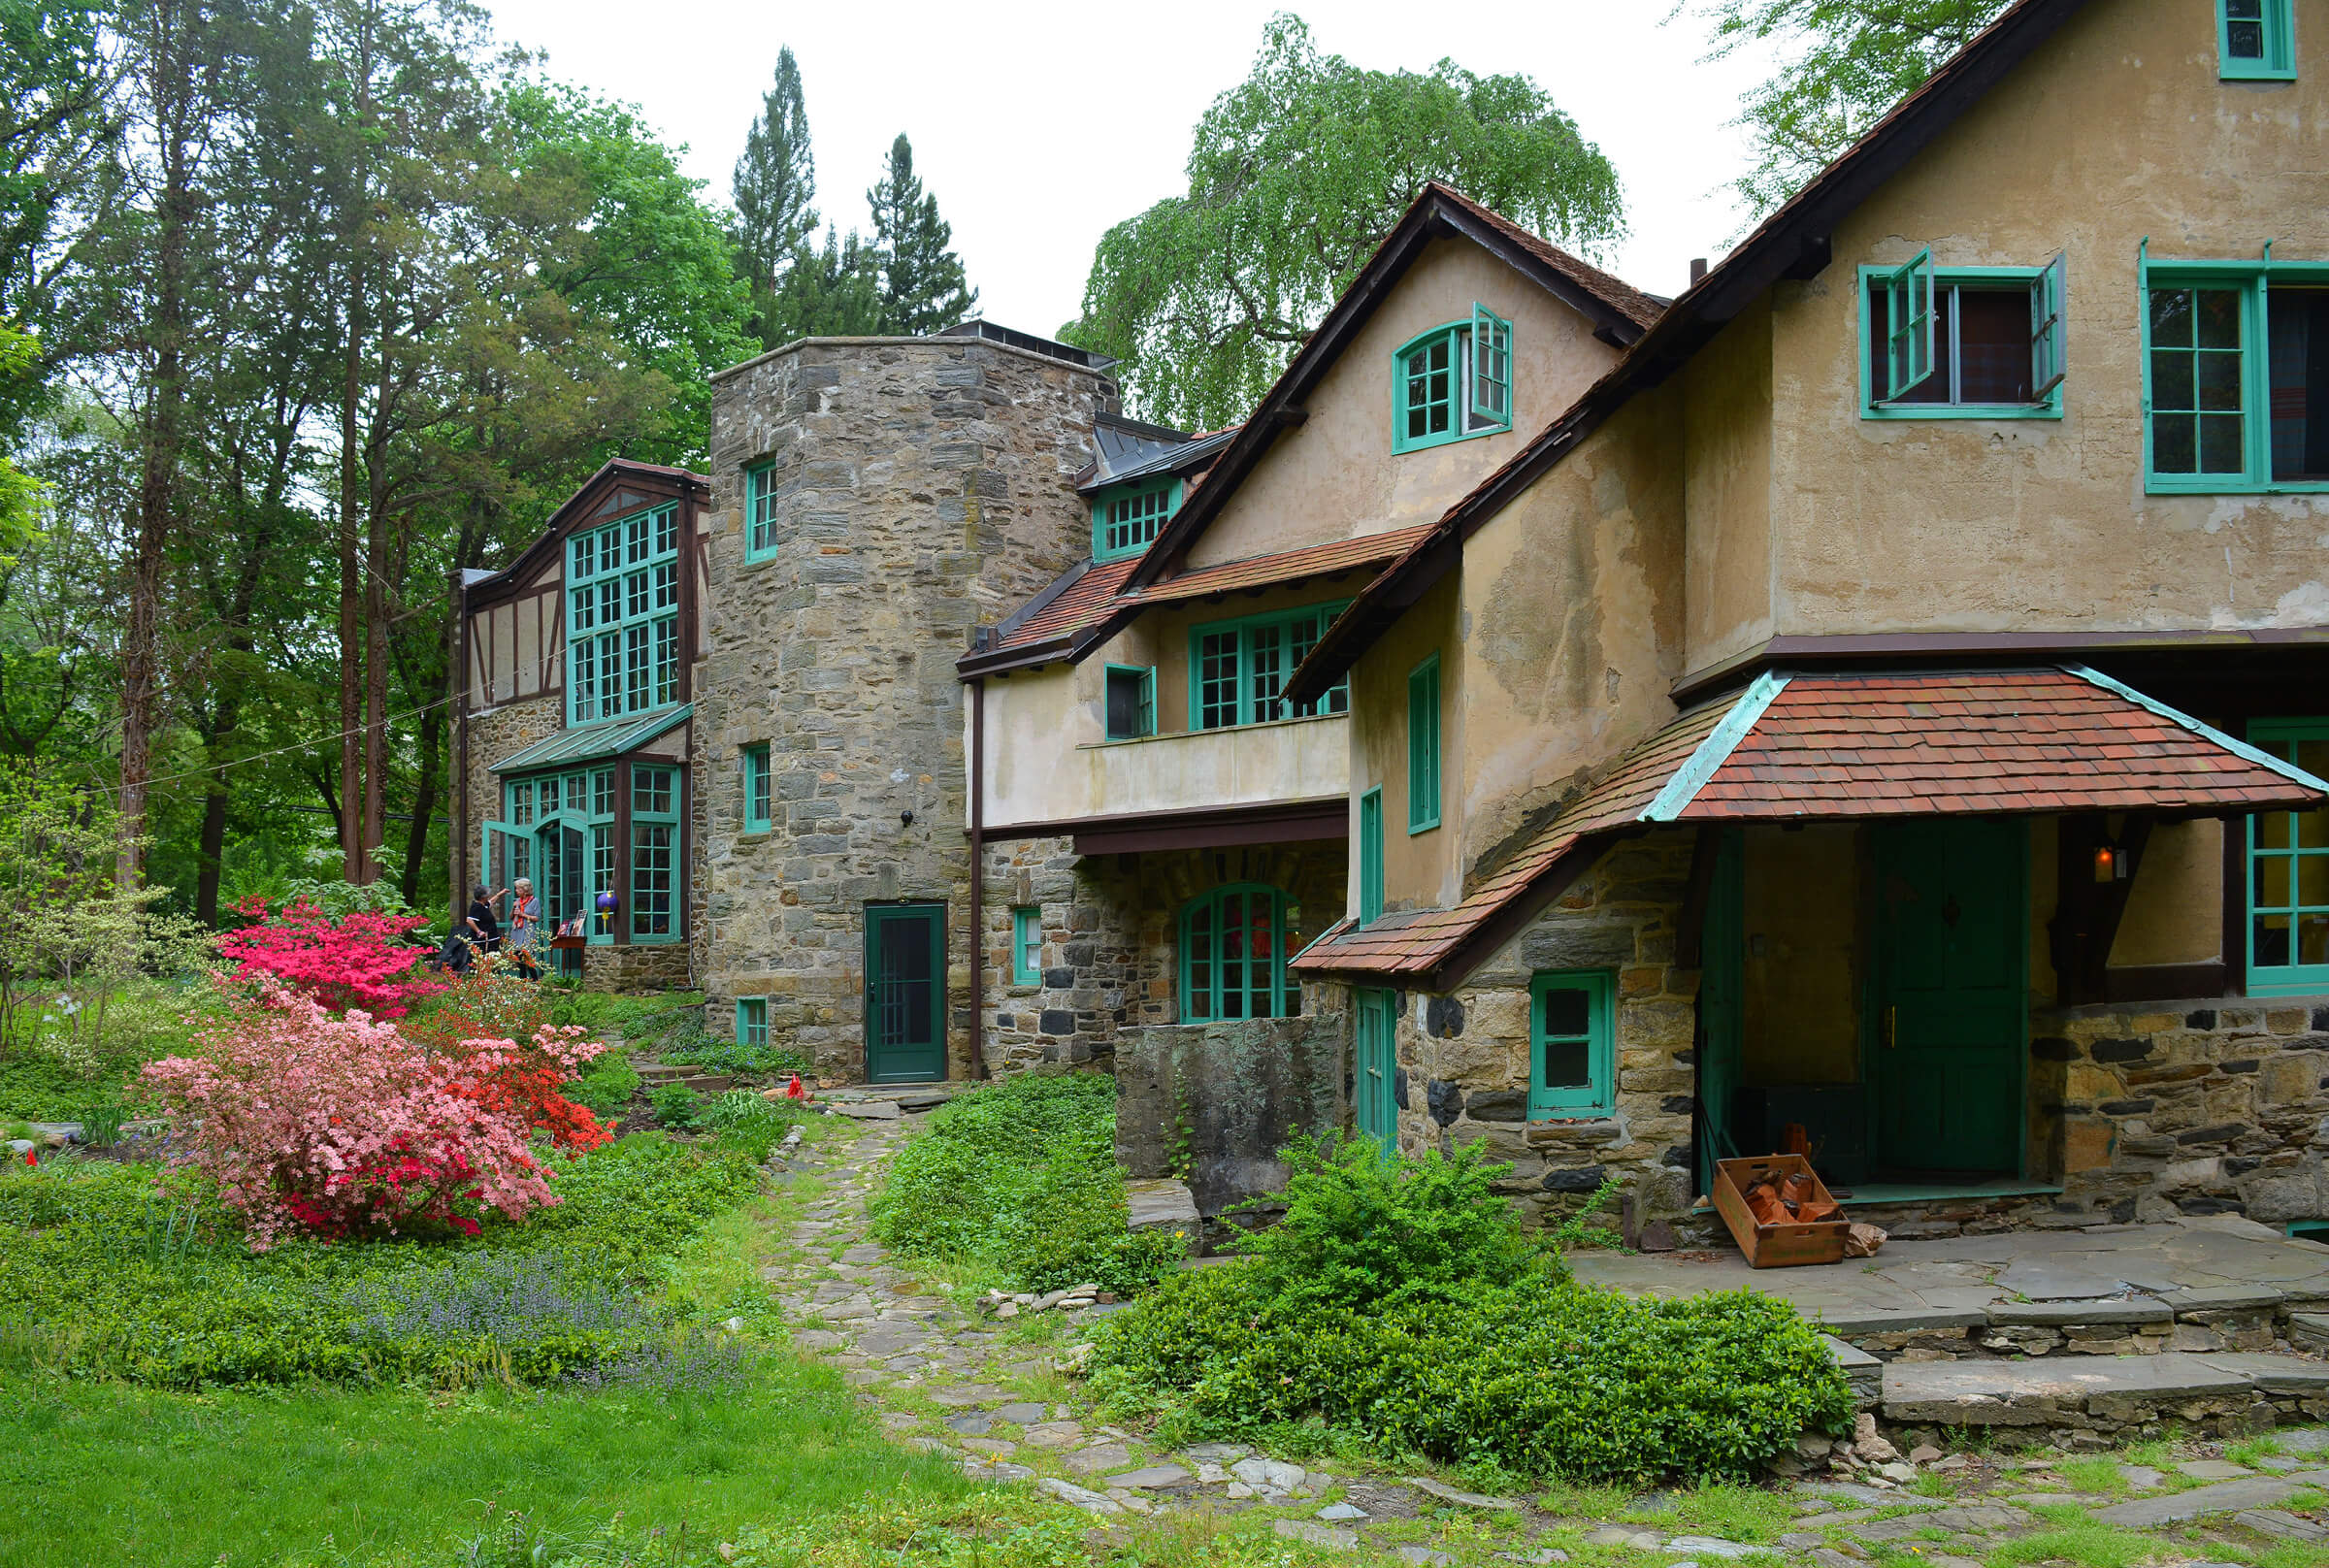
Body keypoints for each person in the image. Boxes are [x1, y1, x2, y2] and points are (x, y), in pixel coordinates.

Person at [508, 876, 541, 980]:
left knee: (527, 957)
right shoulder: (518, 901)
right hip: (517, 931)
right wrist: (514, 908)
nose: (516, 891)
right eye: (516, 889)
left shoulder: (534, 901)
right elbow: (511, 917)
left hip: (527, 931)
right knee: (518, 957)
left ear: (525, 890)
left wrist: (523, 915)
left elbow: (537, 918)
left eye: (518, 889)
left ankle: (535, 980)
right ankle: (523, 981)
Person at [465, 884, 505, 956]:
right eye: (487, 895)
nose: (489, 896)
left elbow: (492, 901)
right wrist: (479, 932)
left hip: (491, 939)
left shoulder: (483, 904)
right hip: (483, 942)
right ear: (483, 897)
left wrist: (501, 893)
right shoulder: (477, 906)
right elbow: (469, 920)